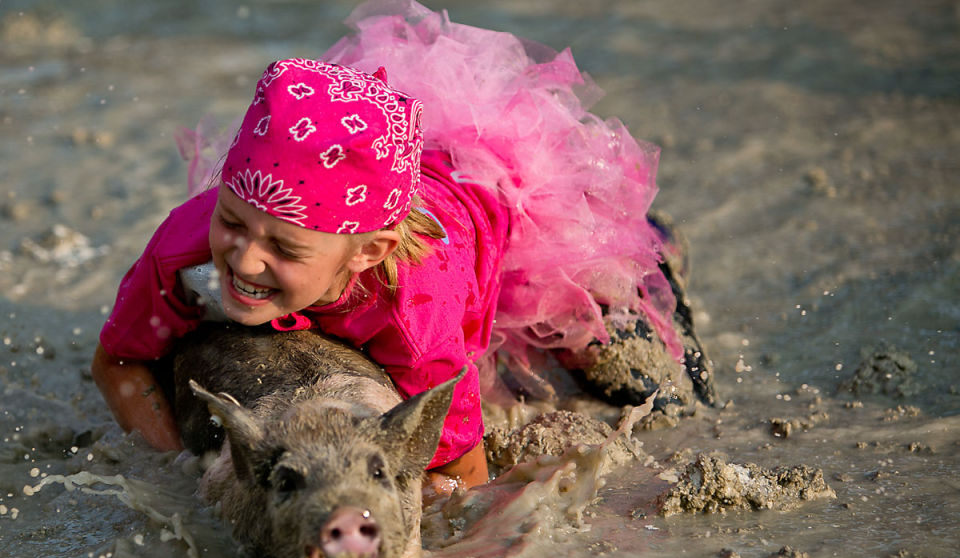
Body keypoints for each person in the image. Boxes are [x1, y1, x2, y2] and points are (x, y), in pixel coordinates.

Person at [91, 0, 715, 495]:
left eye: (284, 247)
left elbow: (463, 467)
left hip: (502, 201)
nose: (244, 259)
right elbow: (117, 363)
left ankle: (656, 246)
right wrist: (188, 478)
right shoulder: (189, 241)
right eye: (232, 221)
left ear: (366, 253)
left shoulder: (413, 311)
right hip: (386, 172)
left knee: (643, 380)